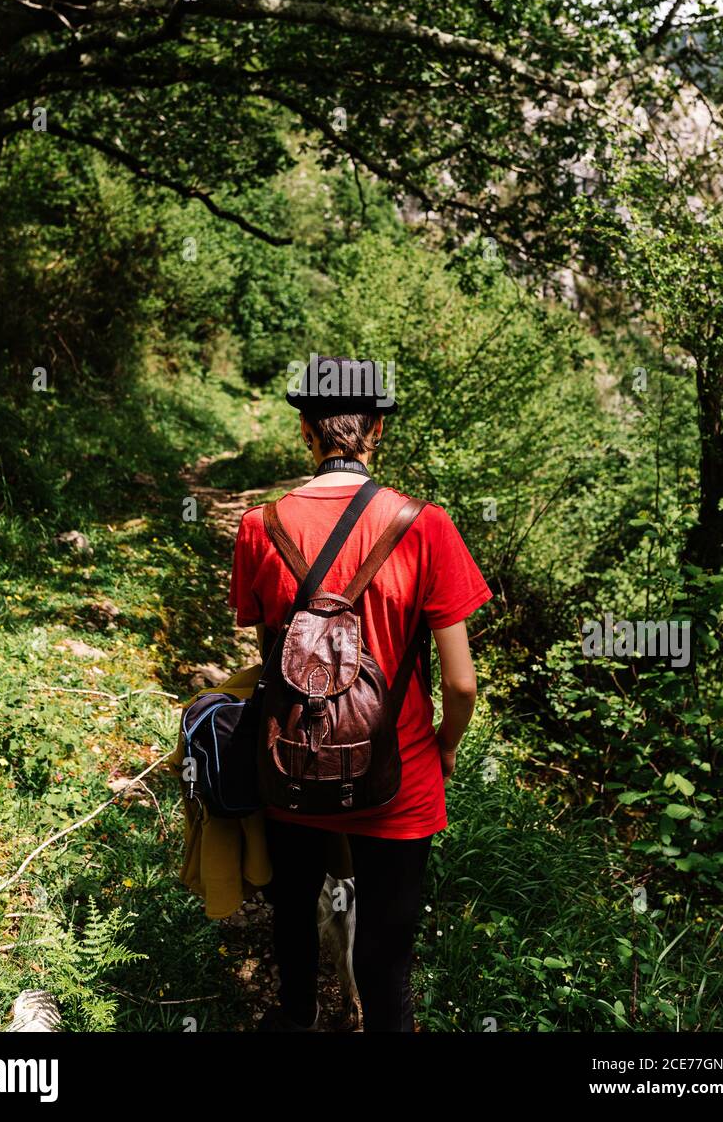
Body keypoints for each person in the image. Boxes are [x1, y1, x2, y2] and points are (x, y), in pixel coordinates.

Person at [228, 356, 492, 1032]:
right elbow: (460, 682)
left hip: (291, 764)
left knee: (291, 923)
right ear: (376, 431)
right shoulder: (423, 524)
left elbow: (273, 656)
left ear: (306, 433)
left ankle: (295, 1016)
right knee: (386, 960)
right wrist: (445, 748)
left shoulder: (262, 526)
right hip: (397, 773)